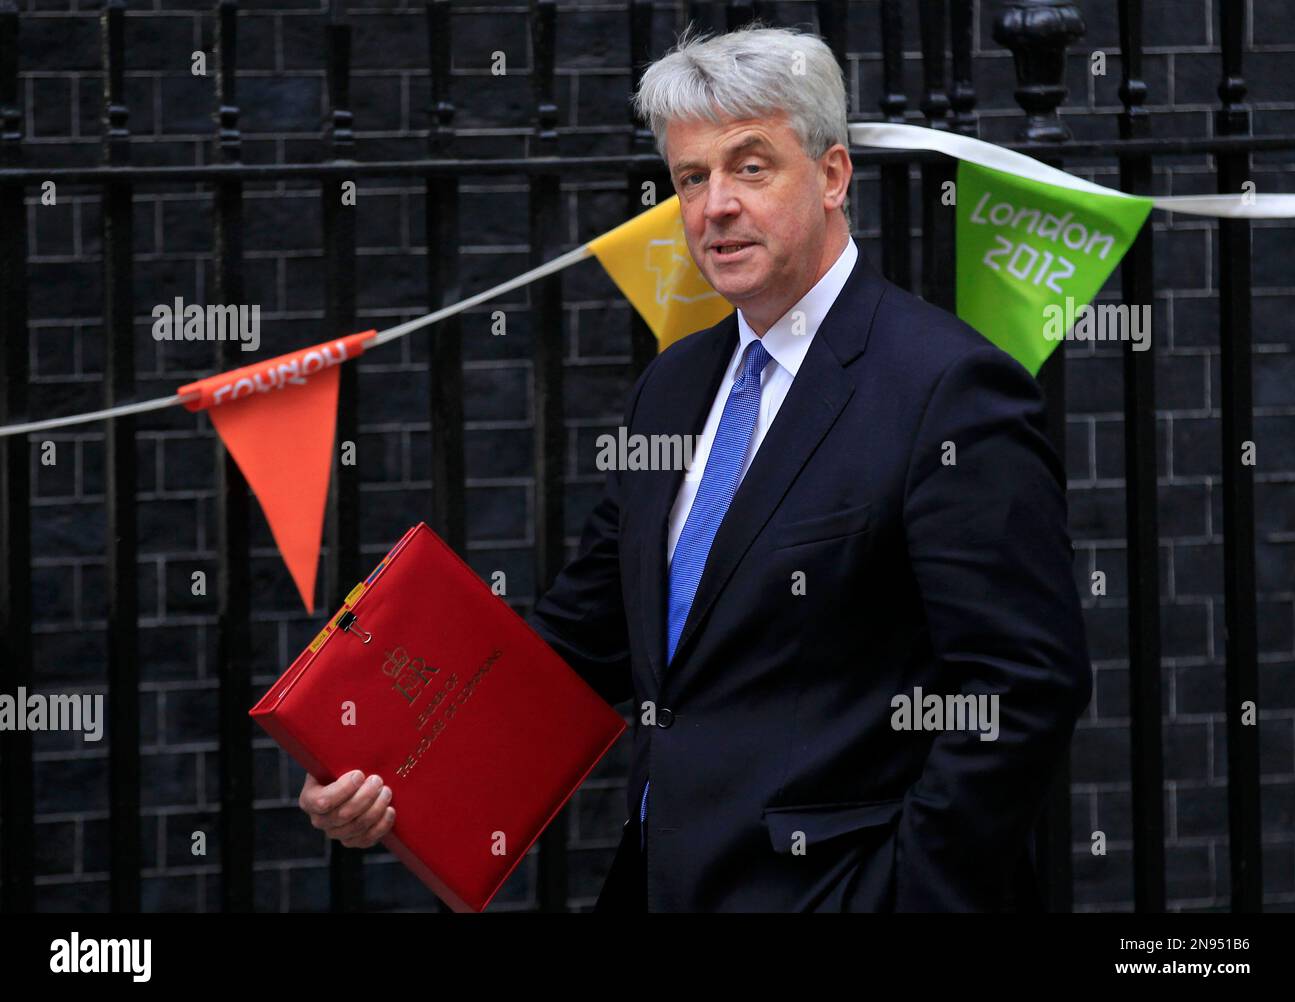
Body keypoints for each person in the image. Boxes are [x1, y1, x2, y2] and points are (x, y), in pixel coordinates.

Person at [298, 22, 1092, 912]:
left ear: (832, 177)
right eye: (691, 177)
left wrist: (905, 893)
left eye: (751, 167)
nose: (715, 205)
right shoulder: (672, 388)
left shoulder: (947, 386)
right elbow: (580, 642)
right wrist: (382, 762)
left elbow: (1020, 687)